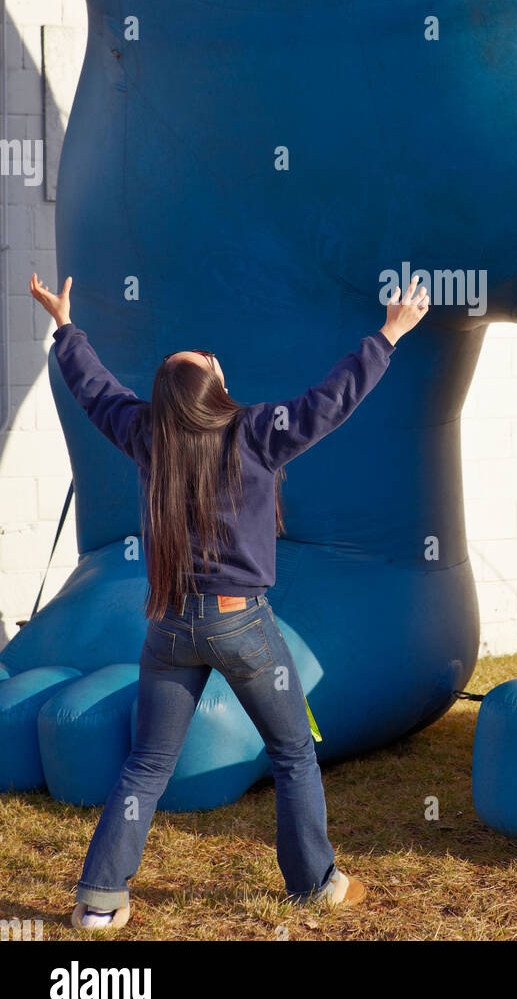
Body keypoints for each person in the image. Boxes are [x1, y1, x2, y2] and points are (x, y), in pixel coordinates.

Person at [29, 270, 429, 929]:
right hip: (243, 627)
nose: (207, 352)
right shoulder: (256, 432)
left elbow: (96, 393)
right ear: (209, 386)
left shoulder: (147, 436)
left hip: (168, 629)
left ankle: (99, 900)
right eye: (201, 360)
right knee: (294, 751)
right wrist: (390, 332)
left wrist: (66, 328)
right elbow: (332, 399)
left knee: (147, 764)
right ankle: (316, 883)